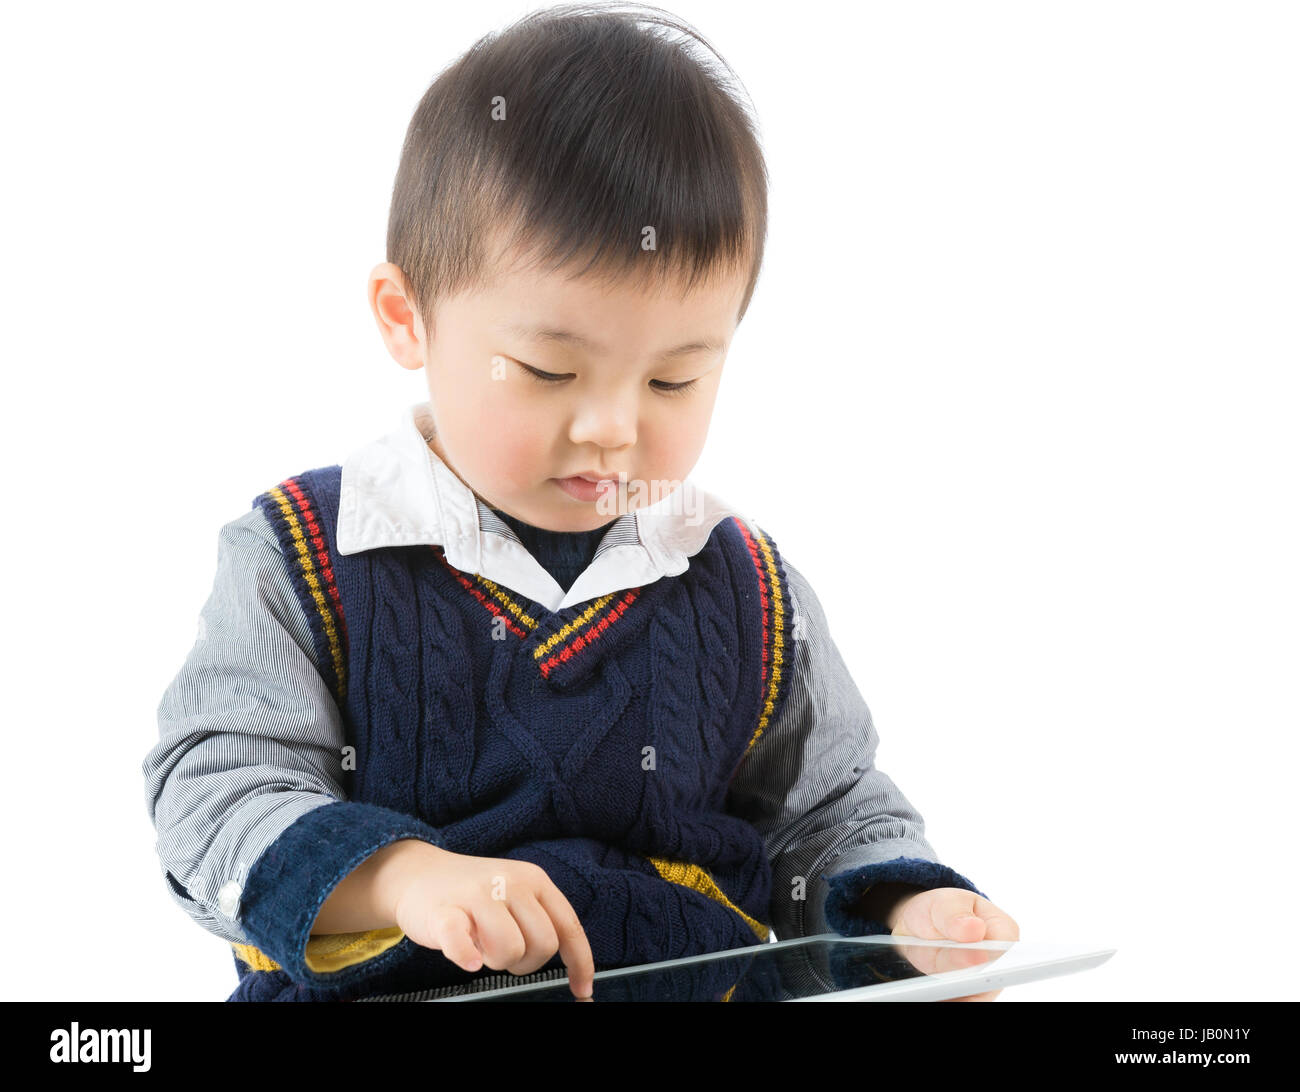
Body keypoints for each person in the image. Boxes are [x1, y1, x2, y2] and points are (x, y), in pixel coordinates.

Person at [142, 1, 1018, 1003]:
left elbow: (829, 821)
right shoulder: (307, 557)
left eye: (674, 381)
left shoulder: (747, 590)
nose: (611, 427)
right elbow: (214, 797)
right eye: (549, 371)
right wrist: (399, 877)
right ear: (406, 316)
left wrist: (907, 917)